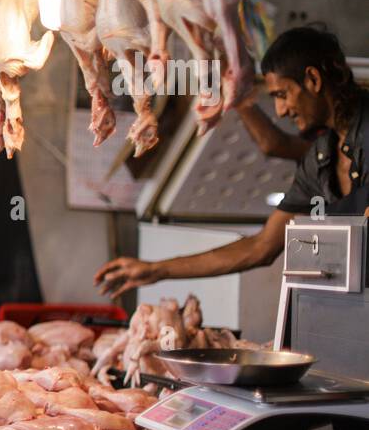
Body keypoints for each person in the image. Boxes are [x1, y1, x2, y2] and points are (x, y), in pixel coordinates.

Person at [96, 26, 369, 297]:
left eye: (282, 95)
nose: (280, 111)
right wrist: (156, 270)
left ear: (313, 79)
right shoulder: (321, 158)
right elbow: (261, 247)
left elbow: (275, 145)